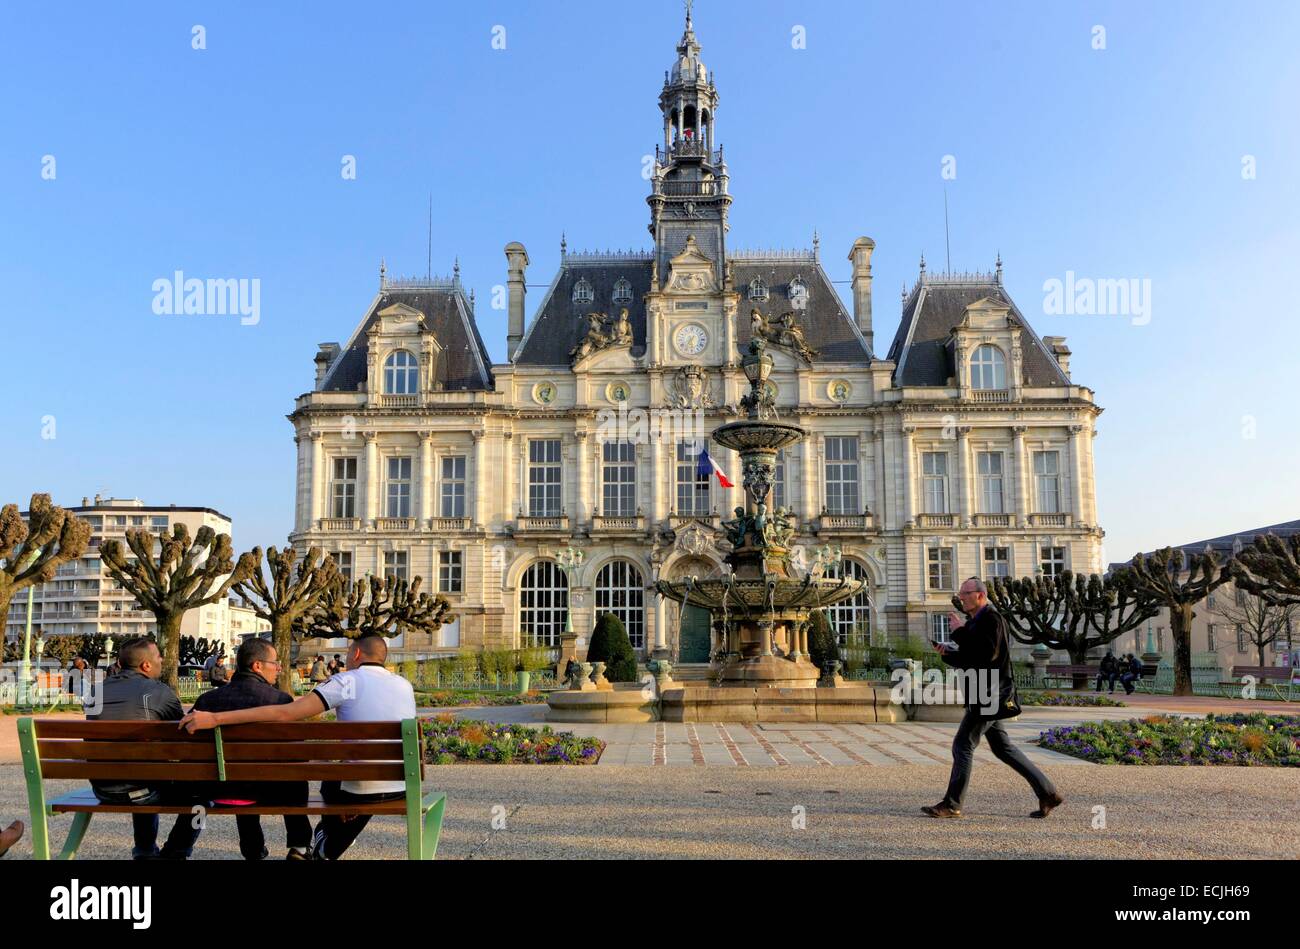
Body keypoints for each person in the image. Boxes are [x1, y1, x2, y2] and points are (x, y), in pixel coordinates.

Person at [180, 634, 416, 860]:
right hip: (400, 784)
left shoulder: (347, 681)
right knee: (308, 777)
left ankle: (323, 843)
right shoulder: (404, 685)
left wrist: (215, 718)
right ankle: (305, 846)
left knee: (333, 779)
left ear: (355, 654)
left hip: (353, 788)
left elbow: (287, 713)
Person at [924, 578, 1065, 820]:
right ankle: (1048, 793)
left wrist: (958, 632)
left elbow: (989, 654)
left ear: (980, 595)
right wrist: (947, 654)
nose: (961, 597)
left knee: (963, 744)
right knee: (1003, 748)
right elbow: (971, 658)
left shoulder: (992, 619)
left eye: (965, 593)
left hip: (989, 693)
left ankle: (952, 804)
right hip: (982, 691)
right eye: (961, 593)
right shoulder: (974, 622)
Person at [191, 639, 311, 860]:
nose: (279, 668)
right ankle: (300, 846)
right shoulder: (281, 700)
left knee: (237, 775)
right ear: (257, 665)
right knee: (292, 777)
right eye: (275, 663)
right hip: (271, 790)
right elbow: (297, 752)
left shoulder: (207, 700)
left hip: (218, 789)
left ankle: (252, 847)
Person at [88, 637, 206, 859]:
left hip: (102, 787)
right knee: (202, 801)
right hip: (141, 789)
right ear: (146, 665)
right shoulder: (160, 691)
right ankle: (176, 852)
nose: (162, 660)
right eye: (159, 657)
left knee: (142, 774)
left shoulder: (96, 691)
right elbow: (183, 737)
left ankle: (145, 850)